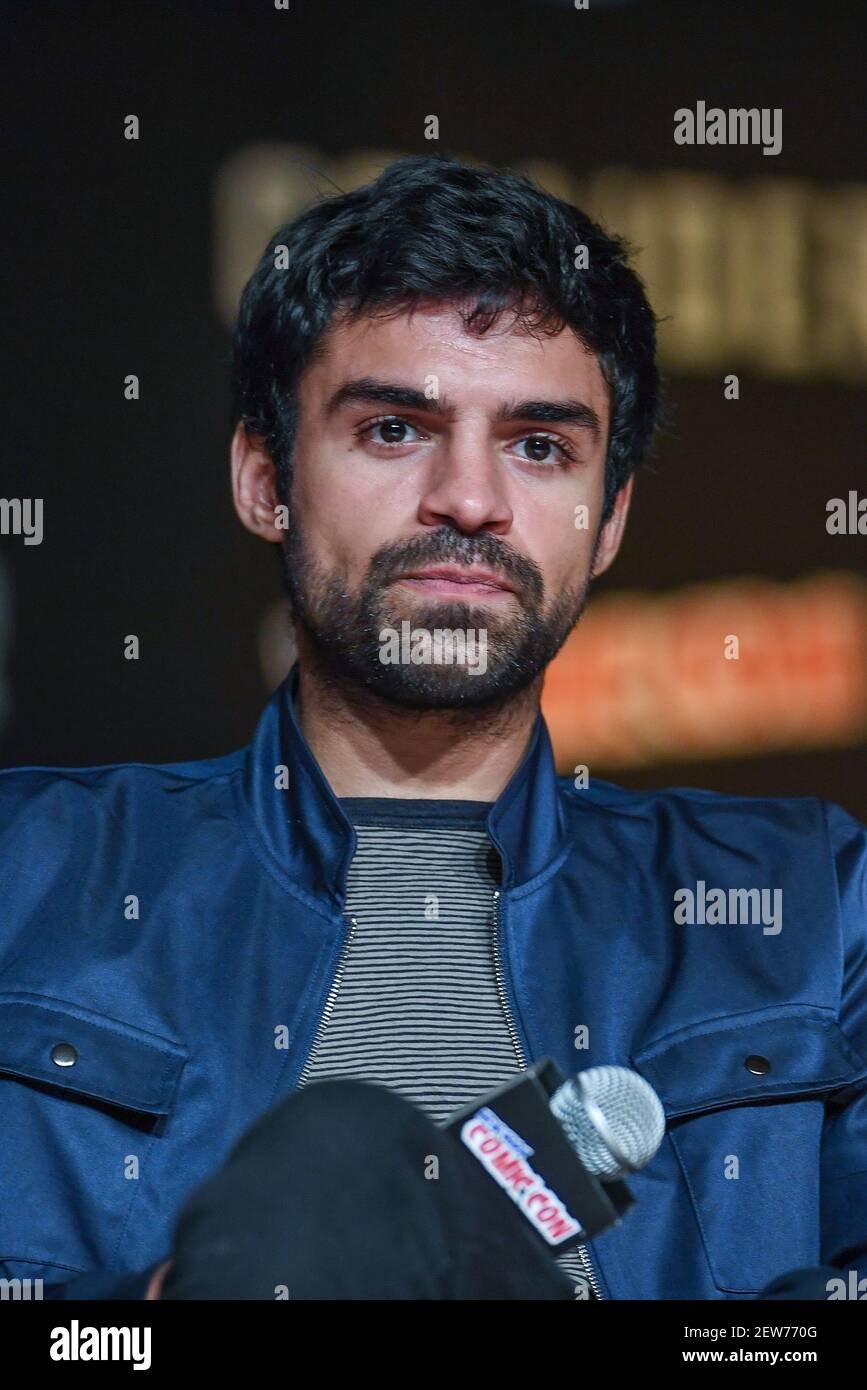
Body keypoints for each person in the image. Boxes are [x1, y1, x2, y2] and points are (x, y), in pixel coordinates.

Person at [1, 155, 864, 1301]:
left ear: (608, 521)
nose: (470, 498)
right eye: (397, 428)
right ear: (266, 479)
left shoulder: (811, 905)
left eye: (540, 445)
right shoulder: (29, 873)